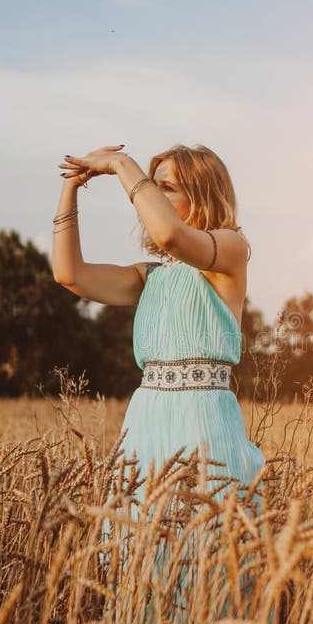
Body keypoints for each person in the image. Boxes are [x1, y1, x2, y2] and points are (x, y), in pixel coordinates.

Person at [52, 142, 266, 505]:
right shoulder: (151, 276)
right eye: (153, 187)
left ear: (201, 198)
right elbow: (68, 274)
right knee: (140, 534)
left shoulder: (232, 250)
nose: (150, 198)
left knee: (205, 531)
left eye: (166, 188)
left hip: (204, 425)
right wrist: (71, 185)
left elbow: (170, 235)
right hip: (146, 423)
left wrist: (120, 163)